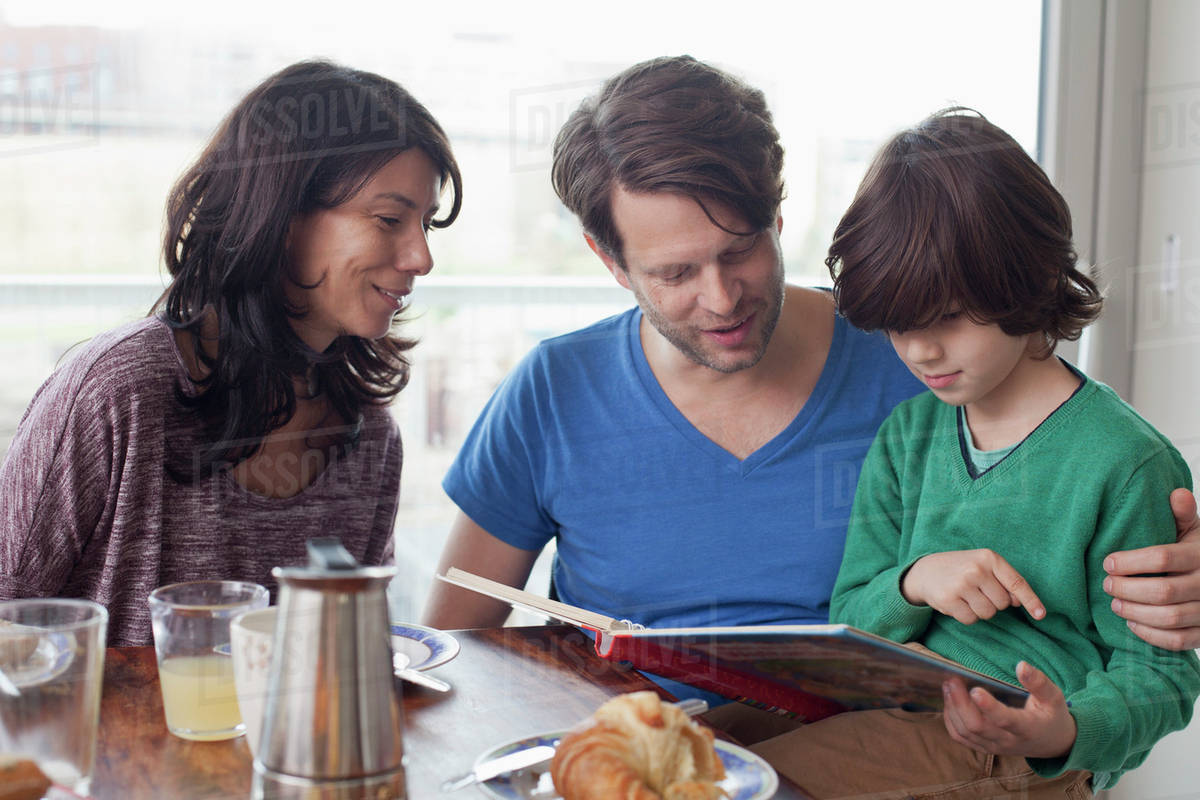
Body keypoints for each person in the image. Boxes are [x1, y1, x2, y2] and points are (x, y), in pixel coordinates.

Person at [423, 57, 1200, 659]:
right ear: (608, 259)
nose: (723, 299)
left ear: (779, 213)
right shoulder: (553, 393)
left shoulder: (921, 355)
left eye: (742, 250)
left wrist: (1173, 577)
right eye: (675, 274)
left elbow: (1091, 493)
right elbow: (450, 647)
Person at [748, 108, 1200, 799]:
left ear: (1028, 277)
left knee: (738, 786)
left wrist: (1063, 733)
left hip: (1016, 748)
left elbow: (1161, 676)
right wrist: (915, 580)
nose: (921, 350)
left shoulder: (1124, 462)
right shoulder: (908, 436)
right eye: (899, 326)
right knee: (686, 745)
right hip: (887, 707)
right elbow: (852, 618)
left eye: (949, 319)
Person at [0, 60, 462, 646]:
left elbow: (349, 666)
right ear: (283, 215)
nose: (421, 258)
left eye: (426, 224)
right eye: (390, 219)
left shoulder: (368, 434)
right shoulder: (117, 391)